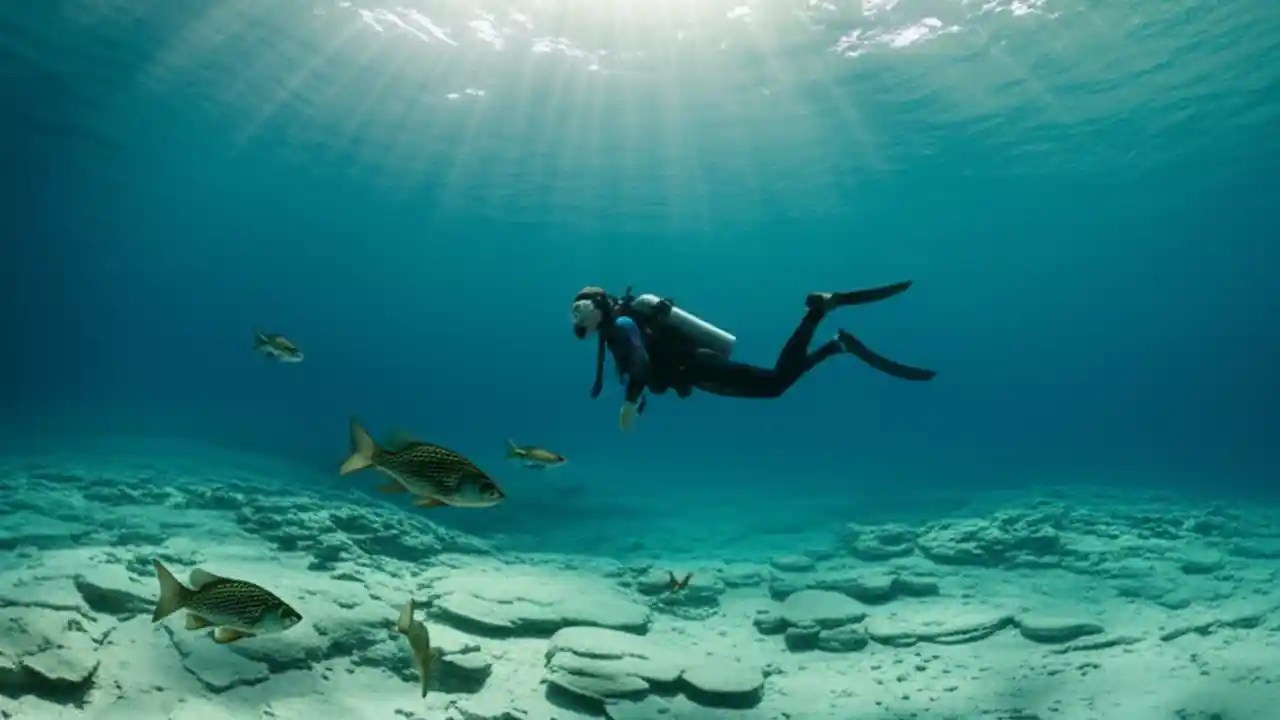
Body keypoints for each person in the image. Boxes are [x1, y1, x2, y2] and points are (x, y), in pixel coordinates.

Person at [570, 282, 936, 432]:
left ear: (600, 305)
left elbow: (642, 364)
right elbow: (640, 363)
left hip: (698, 365)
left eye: (583, 307)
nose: (579, 315)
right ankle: (834, 345)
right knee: (774, 387)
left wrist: (631, 403)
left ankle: (820, 312)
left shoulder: (620, 326)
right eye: (575, 310)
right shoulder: (615, 329)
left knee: (775, 384)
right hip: (694, 371)